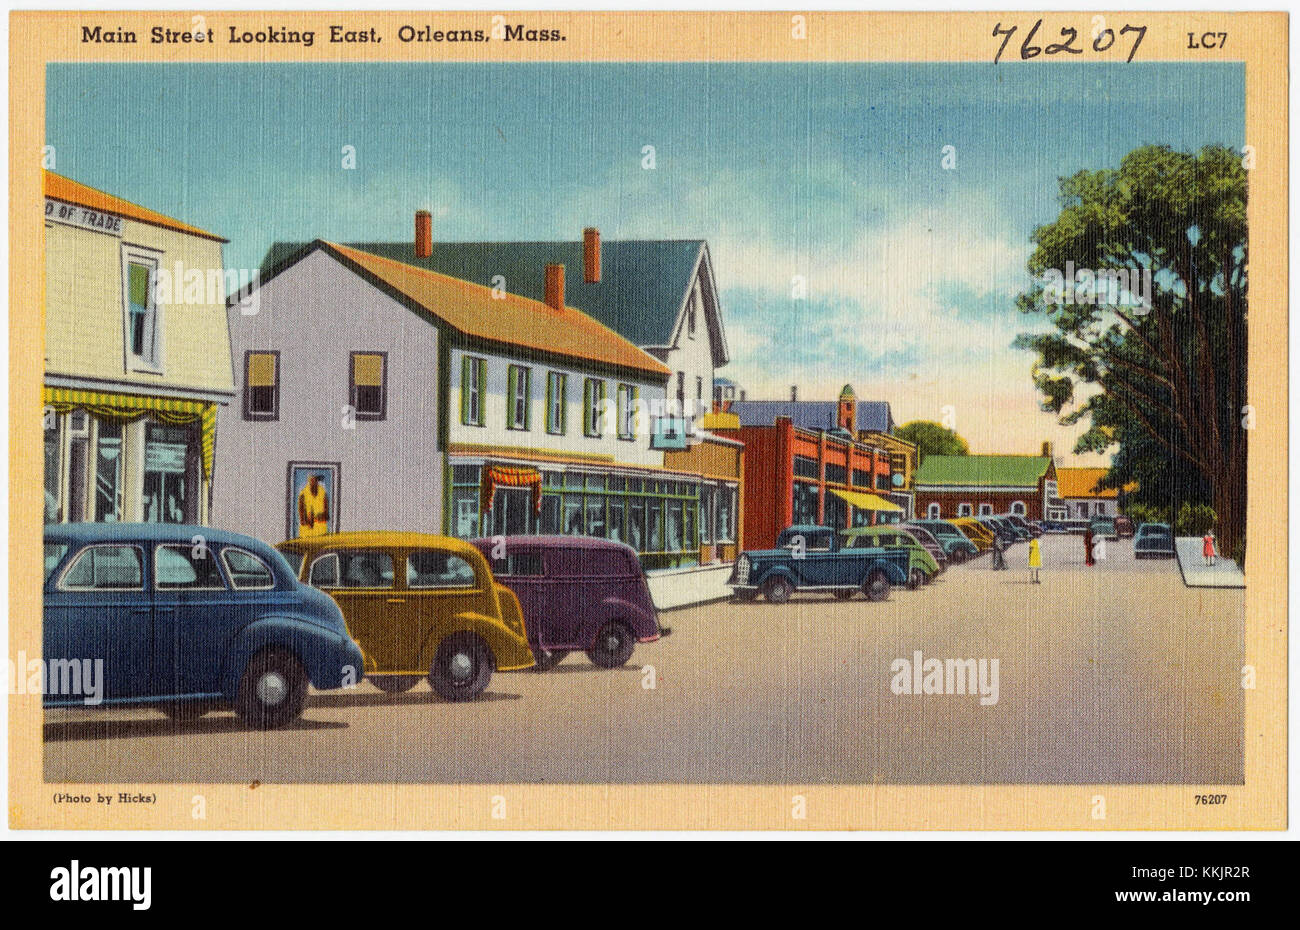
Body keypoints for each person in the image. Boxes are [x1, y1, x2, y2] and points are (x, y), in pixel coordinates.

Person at [298, 473, 330, 538]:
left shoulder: (323, 492)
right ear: (309, 481)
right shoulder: (303, 493)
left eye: (315, 480)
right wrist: (305, 520)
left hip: (320, 528)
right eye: (312, 480)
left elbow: (326, 513)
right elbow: (301, 510)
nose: (313, 482)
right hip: (306, 529)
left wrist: (321, 516)